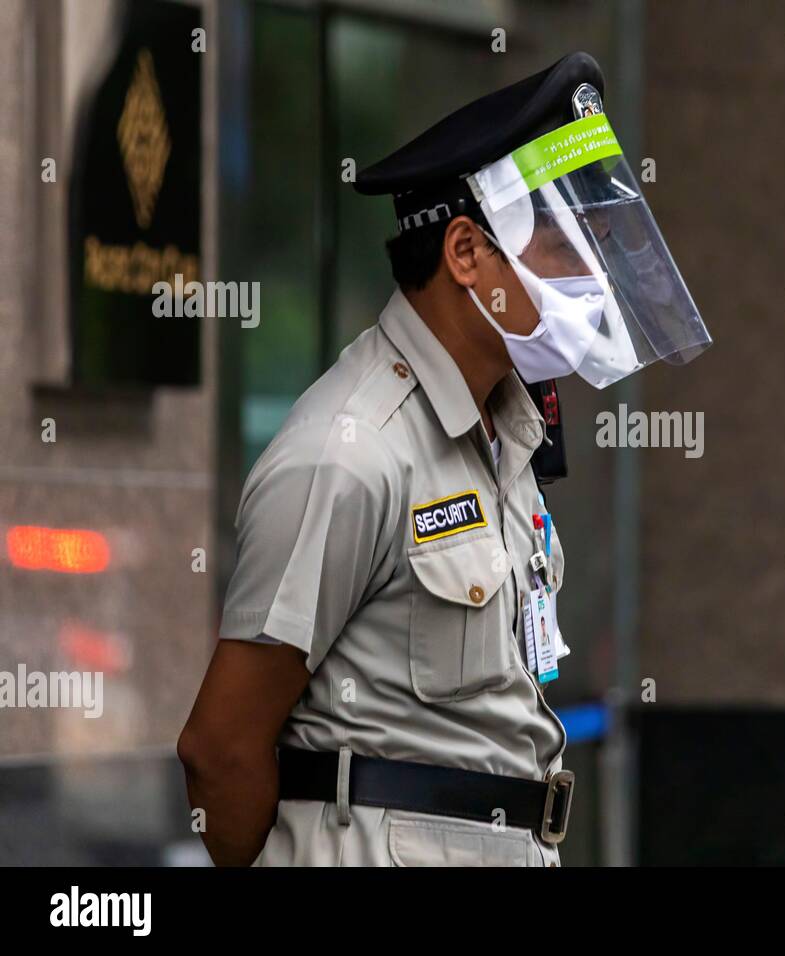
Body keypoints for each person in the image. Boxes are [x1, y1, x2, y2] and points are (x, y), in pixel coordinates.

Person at [178, 51, 710, 867]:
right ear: (466, 254)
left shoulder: (508, 433)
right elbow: (221, 748)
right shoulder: (349, 452)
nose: (596, 279)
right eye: (568, 245)